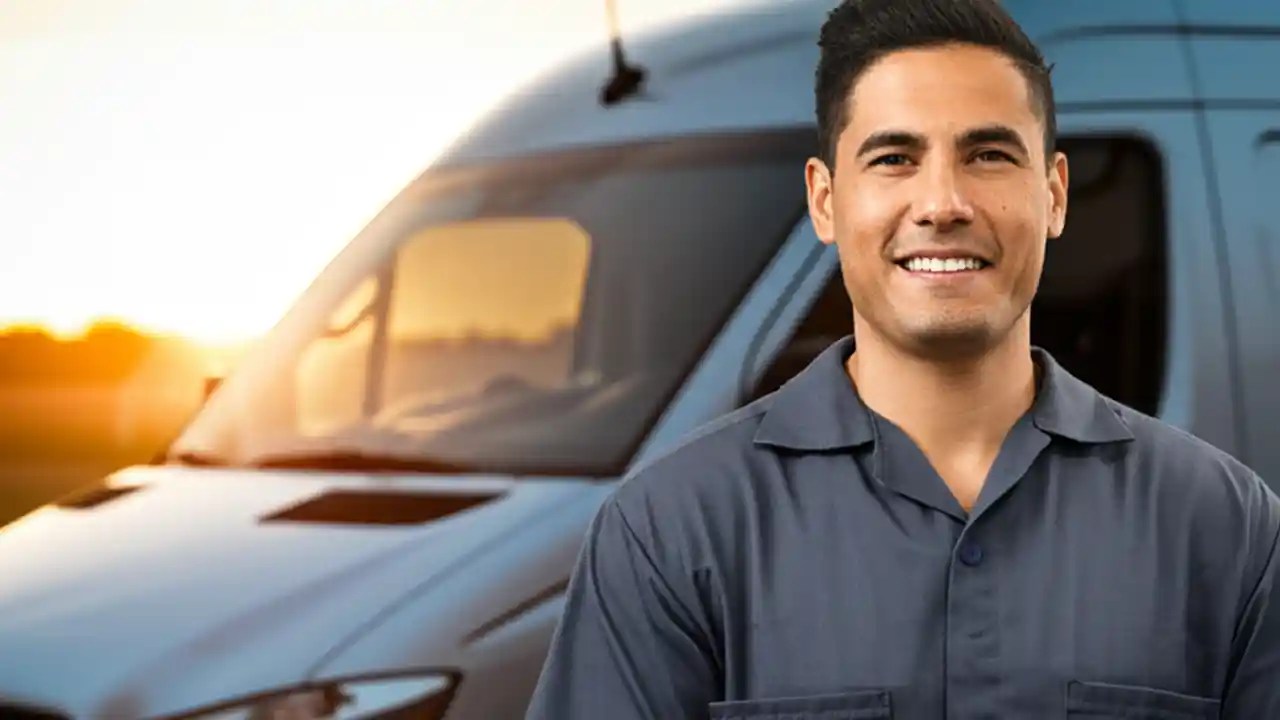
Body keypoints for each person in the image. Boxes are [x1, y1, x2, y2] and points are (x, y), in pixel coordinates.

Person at [524, 0, 1280, 717]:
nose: (943, 202)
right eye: (894, 158)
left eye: (987, 154)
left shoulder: (1226, 527)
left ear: (1053, 195)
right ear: (825, 201)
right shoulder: (668, 534)